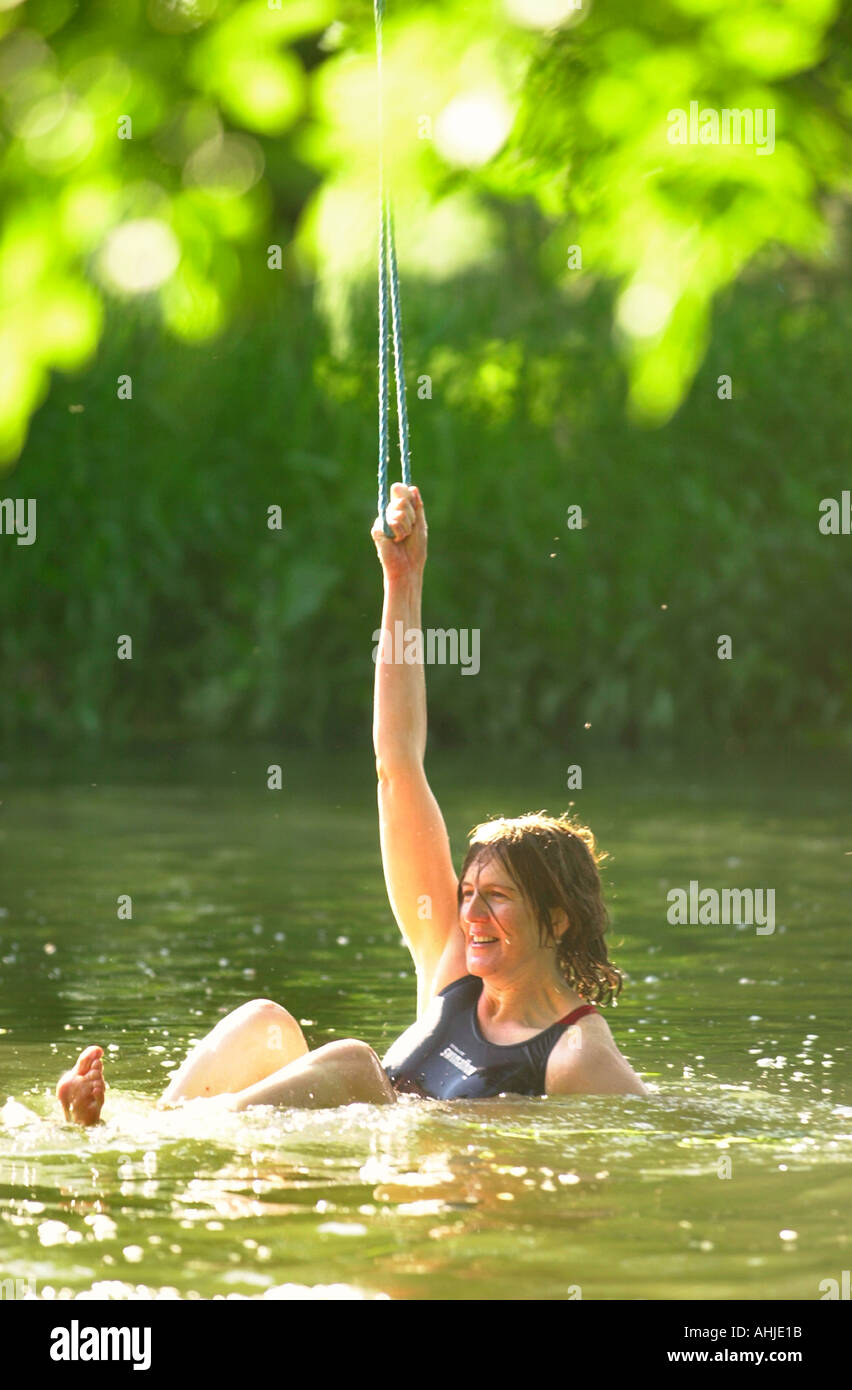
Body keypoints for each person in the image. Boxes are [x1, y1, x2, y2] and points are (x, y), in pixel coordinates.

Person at [56, 483, 646, 1126]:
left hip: (413, 1188)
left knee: (356, 1065)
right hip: (319, 1147)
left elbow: (650, 1136)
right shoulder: (454, 959)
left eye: (496, 897)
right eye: (469, 891)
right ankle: (138, 1129)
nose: (469, 910)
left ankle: (142, 1136)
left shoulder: (576, 1055)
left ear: (557, 921)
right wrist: (403, 578)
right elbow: (397, 764)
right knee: (265, 1023)